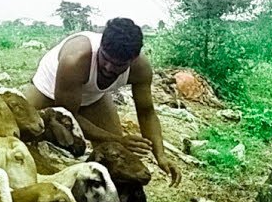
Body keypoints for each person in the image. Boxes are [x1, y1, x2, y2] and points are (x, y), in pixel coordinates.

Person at [24, 16, 181, 185]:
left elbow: (146, 112)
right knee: (21, 139)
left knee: (114, 156)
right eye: (105, 59)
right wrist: (117, 139)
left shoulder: (140, 68)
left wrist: (161, 155)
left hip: (93, 97)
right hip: (47, 92)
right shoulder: (75, 59)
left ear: (132, 60)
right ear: (101, 46)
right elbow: (68, 116)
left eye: (118, 65)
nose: (108, 68)